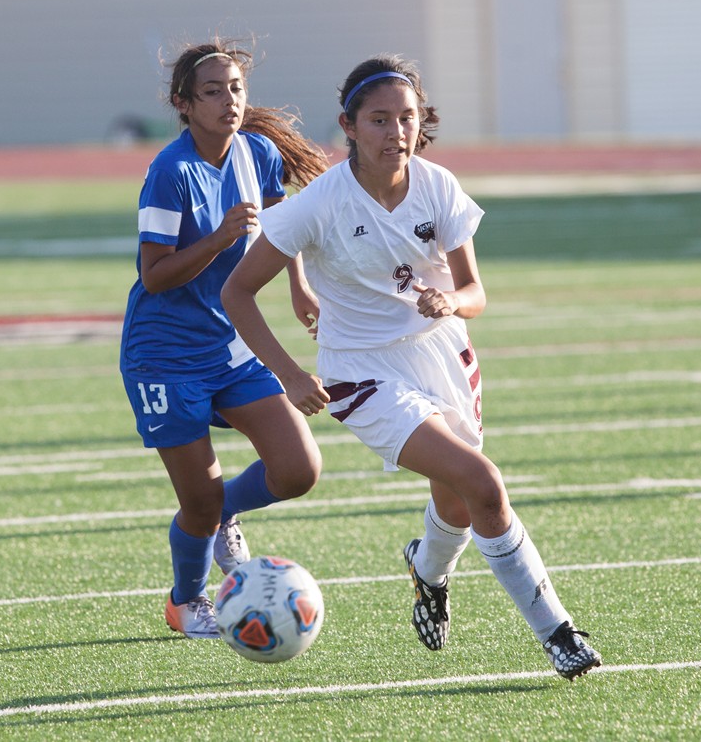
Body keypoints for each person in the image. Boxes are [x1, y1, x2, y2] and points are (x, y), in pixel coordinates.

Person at [221, 54, 602, 680]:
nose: (396, 132)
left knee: (455, 502)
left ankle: (427, 572)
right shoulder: (318, 205)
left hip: (443, 354)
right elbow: (236, 291)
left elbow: (475, 292)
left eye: (407, 118)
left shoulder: (438, 185)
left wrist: (452, 300)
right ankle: (559, 634)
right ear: (348, 125)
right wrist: (290, 374)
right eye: (379, 120)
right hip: (361, 373)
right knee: (483, 483)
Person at [121, 42, 332, 640]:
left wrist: (299, 285)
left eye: (236, 87)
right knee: (198, 501)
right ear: (184, 105)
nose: (229, 100)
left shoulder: (258, 153)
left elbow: (280, 225)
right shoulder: (169, 171)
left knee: (297, 469)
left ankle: (224, 516)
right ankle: (185, 603)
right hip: (165, 357)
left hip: (229, 346)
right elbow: (154, 275)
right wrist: (216, 240)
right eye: (212, 91)